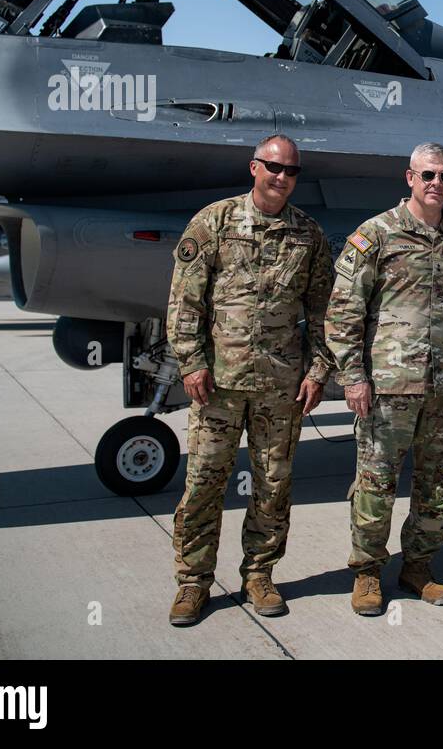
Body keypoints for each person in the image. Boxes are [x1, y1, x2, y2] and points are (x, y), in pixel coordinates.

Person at [166, 134, 332, 626]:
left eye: (291, 171)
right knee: (203, 483)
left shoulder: (308, 235)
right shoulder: (214, 222)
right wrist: (192, 362)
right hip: (217, 384)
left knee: (273, 485)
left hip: (281, 388)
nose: (282, 177)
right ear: (254, 167)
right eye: (274, 167)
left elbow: (324, 311)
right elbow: (184, 301)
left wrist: (320, 370)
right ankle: (193, 582)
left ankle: (259, 574)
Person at [327, 142, 443, 616]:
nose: (437, 183)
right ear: (409, 178)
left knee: (439, 483)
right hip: (388, 386)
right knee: (376, 482)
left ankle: (419, 568)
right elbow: (343, 312)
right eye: (428, 175)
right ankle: (368, 573)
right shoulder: (375, 235)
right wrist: (353, 378)